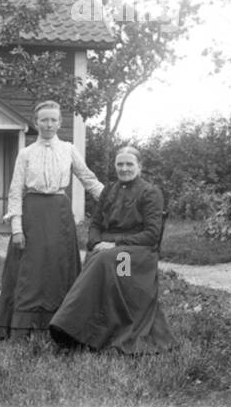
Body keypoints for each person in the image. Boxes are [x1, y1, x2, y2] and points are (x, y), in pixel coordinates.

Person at [0, 101, 104, 340]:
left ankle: (61, 323)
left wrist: (116, 199)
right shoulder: (26, 153)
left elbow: (89, 180)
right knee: (29, 269)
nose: (49, 124)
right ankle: (22, 325)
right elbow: (14, 191)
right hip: (32, 214)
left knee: (59, 267)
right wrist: (17, 228)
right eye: (44, 120)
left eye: (53, 120)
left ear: (60, 123)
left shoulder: (69, 149)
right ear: (36, 122)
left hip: (59, 214)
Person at [49, 146, 177, 354]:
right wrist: (94, 242)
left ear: (140, 166)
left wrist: (115, 244)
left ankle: (77, 326)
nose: (124, 169)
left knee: (109, 260)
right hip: (108, 249)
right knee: (98, 256)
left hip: (136, 252)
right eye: (120, 164)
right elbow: (96, 223)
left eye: (129, 164)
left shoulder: (150, 192)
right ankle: (78, 330)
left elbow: (151, 235)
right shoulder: (109, 190)